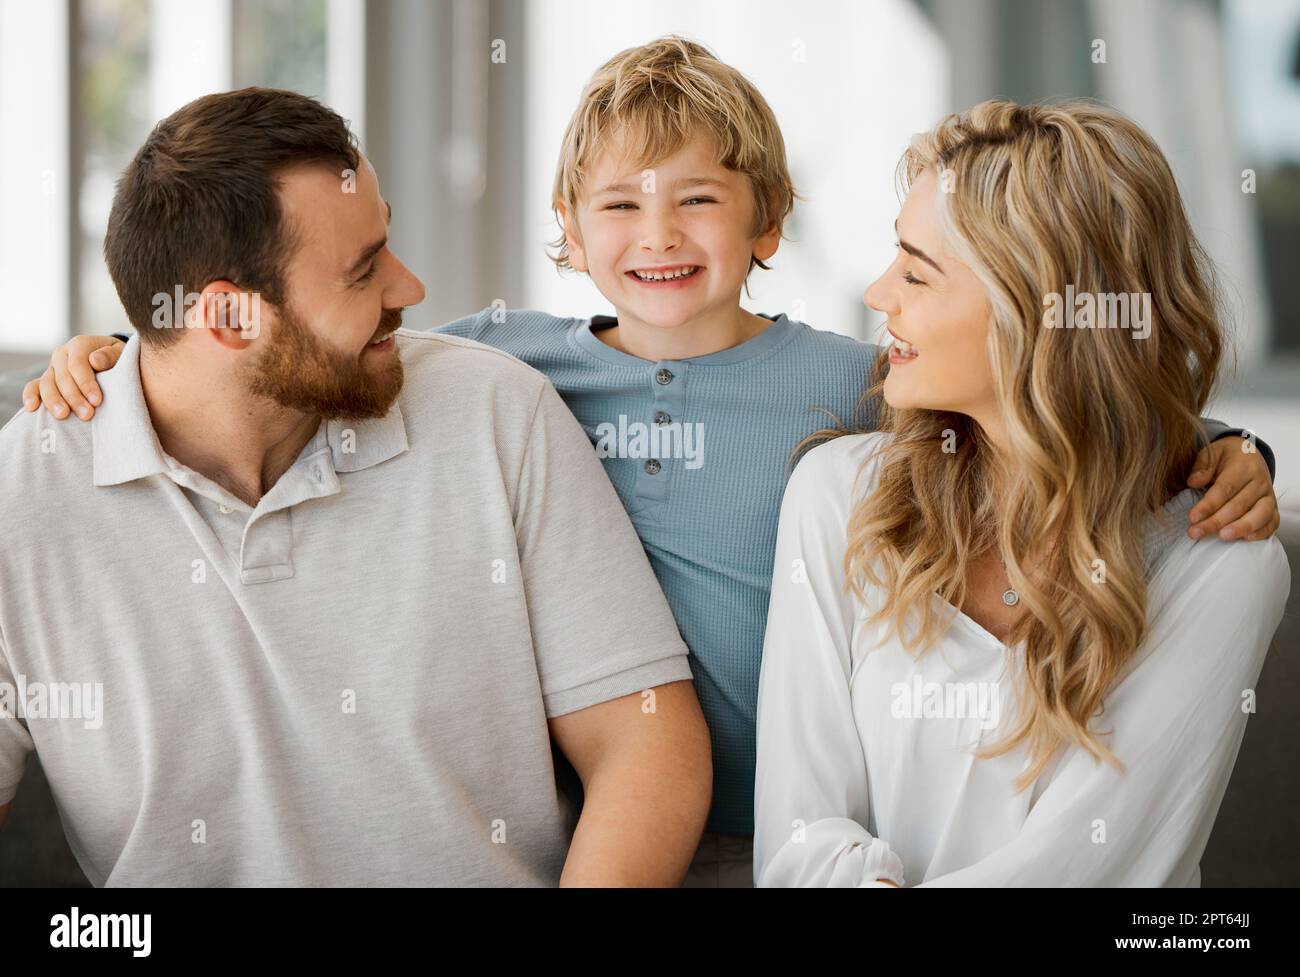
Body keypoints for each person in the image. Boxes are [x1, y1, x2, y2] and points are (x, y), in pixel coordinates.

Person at [22, 41, 1282, 887]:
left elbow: (1060, 405)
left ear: (765, 220)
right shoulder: (506, 364)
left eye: (698, 201)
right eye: (618, 205)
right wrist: (119, 361)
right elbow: (228, 358)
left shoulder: (852, 389)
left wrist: (1215, 446)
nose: (405, 293)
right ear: (567, 232)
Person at [0, 88, 712, 886]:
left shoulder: (496, 413)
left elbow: (646, 745)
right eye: (365, 268)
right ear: (231, 320)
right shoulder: (22, 495)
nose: (410, 288)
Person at [753, 99, 1290, 887]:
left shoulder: (1223, 561)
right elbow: (798, 842)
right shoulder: (837, 495)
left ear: (1032, 312)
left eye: (916, 270)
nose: (877, 292)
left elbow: (1084, 873)